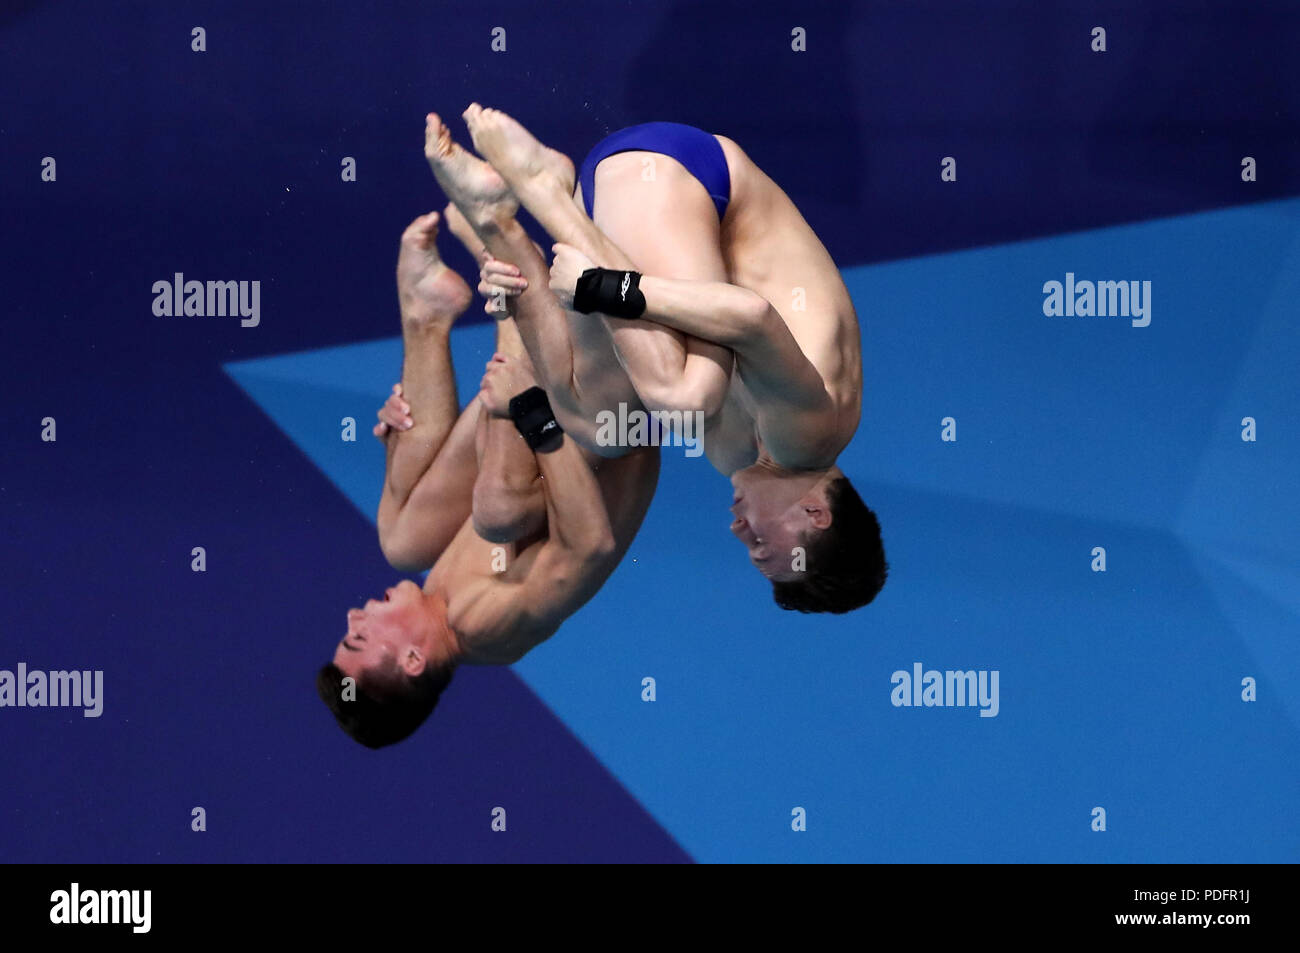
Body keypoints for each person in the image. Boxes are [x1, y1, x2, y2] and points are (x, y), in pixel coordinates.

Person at [454, 106, 887, 613]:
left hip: (622, 202)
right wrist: (601, 288)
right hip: (682, 172)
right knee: (686, 398)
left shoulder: (740, 457)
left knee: (600, 427)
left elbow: (636, 355)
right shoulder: (813, 433)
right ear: (816, 513)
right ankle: (543, 193)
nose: (738, 529)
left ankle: (503, 228)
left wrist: (526, 305)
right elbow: (753, 316)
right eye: (760, 544)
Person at [316, 209, 658, 749]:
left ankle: (426, 311)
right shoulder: (490, 627)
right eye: (358, 637)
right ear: (411, 659)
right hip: (609, 422)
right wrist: (531, 414)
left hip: (556, 411)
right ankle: (500, 252)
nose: (355, 613)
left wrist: (399, 445)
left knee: (401, 539)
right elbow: (590, 545)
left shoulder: (442, 603)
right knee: (498, 514)